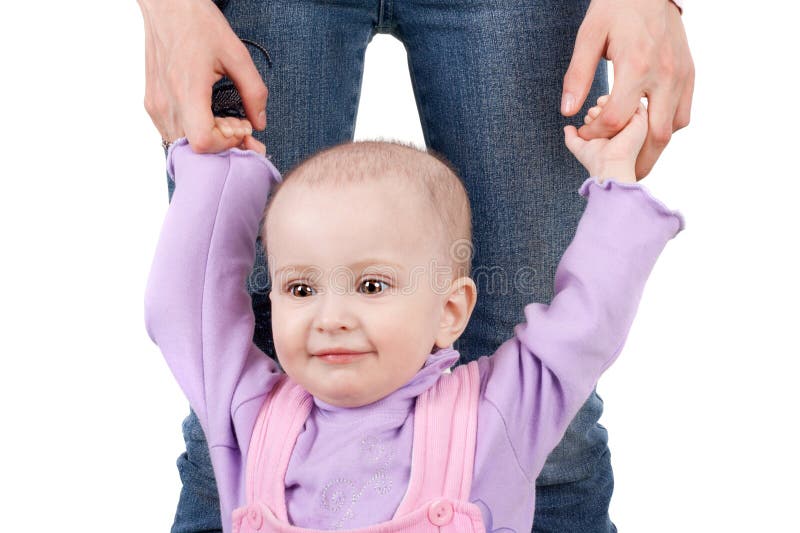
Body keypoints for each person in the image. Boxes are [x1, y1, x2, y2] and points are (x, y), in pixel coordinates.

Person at [136, 1, 693, 530]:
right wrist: (218, 173)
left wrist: (615, 188)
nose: (330, 317)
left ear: (451, 310)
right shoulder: (248, 413)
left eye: (372, 284)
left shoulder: (497, 415)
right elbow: (187, 308)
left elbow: (582, 325)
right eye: (301, 288)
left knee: (561, 454)